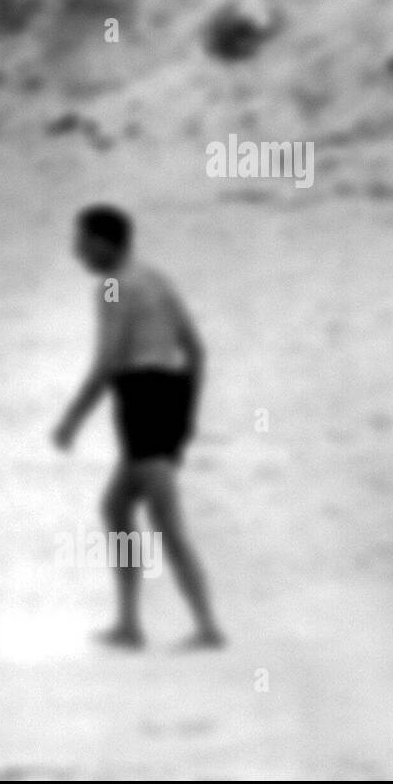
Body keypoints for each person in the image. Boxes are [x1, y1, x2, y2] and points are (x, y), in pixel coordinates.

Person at [52, 205, 225, 650]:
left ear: (106, 243)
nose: (77, 252)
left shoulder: (113, 287)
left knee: (165, 520)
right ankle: (129, 624)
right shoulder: (157, 279)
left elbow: (108, 362)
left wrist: (72, 418)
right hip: (168, 397)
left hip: (142, 399)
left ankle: (208, 627)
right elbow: (197, 350)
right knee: (116, 508)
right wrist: (187, 415)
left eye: (83, 242)